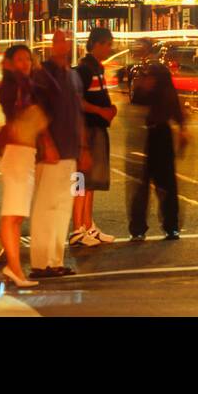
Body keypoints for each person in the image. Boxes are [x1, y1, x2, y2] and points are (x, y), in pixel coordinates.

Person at [30, 29, 89, 278]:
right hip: (51, 152)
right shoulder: (43, 74)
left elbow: (78, 113)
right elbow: (36, 110)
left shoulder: (73, 75)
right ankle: (40, 262)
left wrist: (83, 148)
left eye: (66, 40)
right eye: (58, 40)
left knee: (63, 206)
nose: (62, 44)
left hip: (70, 151)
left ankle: (55, 260)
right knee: (46, 207)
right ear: (52, 44)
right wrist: (47, 142)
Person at [0, 44, 46, 289]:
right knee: (12, 214)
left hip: (25, 152)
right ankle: (14, 268)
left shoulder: (26, 84)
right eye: (20, 59)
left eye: (28, 58)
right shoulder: (12, 87)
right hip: (16, 152)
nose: (25, 63)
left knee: (16, 215)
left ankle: (14, 267)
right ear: (10, 63)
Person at [128, 39, 188, 242]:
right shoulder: (139, 72)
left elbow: (170, 99)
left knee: (156, 183)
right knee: (145, 184)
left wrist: (182, 126)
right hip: (148, 132)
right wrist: (182, 127)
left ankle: (162, 226)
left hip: (156, 132)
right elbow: (137, 99)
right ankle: (149, 227)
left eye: (140, 49)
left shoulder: (156, 72)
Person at [70, 26, 117, 248]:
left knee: (91, 182)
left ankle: (87, 225)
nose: (110, 49)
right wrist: (101, 111)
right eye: (108, 44)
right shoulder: (84, 69)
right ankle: (77, 228)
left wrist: (107, 111)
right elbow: (77, 101)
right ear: (96, 44)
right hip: (85, 131)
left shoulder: (96, 68)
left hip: (95, 130)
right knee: (81, 180)